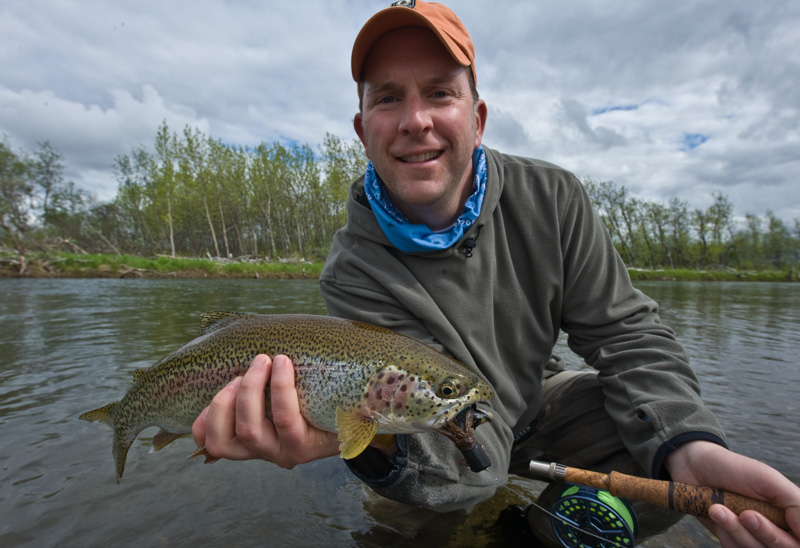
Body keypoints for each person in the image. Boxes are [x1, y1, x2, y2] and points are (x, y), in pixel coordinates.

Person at [192, 2, 800, 546]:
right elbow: (406, 418)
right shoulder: (354, 268)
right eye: (387, 98)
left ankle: (534, 532)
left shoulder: (553, 198)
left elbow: (628, 337)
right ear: (362, 130)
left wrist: (688, 445)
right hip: (435, 431)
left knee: (655, 436)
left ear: (476, 117)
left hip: (538, 398)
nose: (415, 121)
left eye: (439, 93)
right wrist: (372, 443)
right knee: (417, 518)